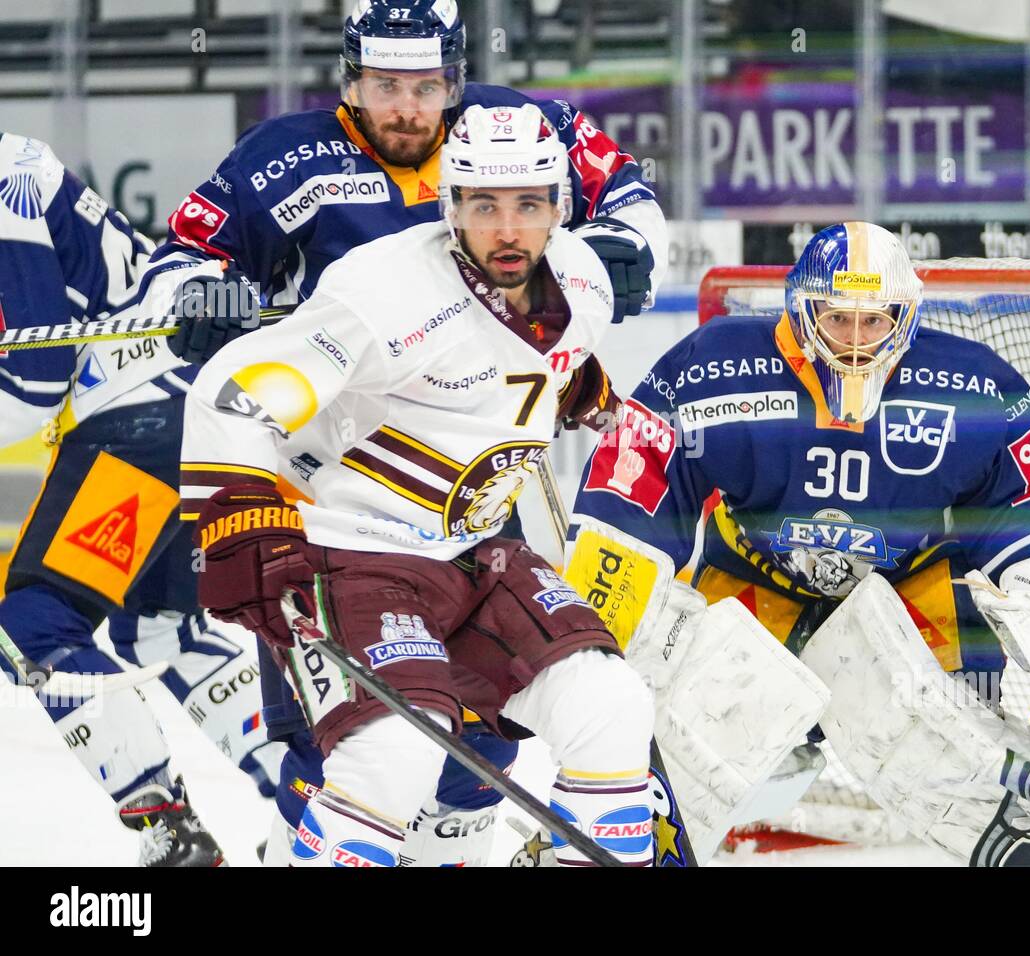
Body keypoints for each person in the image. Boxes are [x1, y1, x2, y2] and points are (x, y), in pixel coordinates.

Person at [26, 0, 668, 867]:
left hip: (469, 474)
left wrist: (627, 240)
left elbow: (623, 192)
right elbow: (187, 257)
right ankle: (310, 837)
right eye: (384, 86)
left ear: (457, 78)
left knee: (489, 740)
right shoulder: (282, 158)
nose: (407, 107)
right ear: (350, 77)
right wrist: (198, 296)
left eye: (427, 87)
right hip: (333, 484)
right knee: (360, 732)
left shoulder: (519, 127)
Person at [563, 221, 1030, 866]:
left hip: (911, 590)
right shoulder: (713, 367)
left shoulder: (971, 386)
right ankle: (606, 845)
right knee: (696, 750)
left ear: (903, 317)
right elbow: (636, 473)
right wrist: (609, 601)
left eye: (874, 321)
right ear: (802, 312)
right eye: (837, 320)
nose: (856, 343)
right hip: (755, 581)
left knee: (952, 754)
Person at [181, 104, 654, 868]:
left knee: (613, 708)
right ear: (450, 206)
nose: (507, 229)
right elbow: (232, 394)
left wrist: (571, 387)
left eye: (530, 205)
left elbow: (526, 361)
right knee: (393, 755)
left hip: (474, 553)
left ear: (561, 208)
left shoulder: (585, 283)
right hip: (352, 555)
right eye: (483, 206)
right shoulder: (384, 292)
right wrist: (244, 530)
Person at [0, 131, 284, 867]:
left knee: (33, 624)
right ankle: (320, 804)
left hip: (140, 420)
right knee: (162, 629)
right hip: (192, 407)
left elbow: (33, 376)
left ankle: (168, 828)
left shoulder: (4, 175)